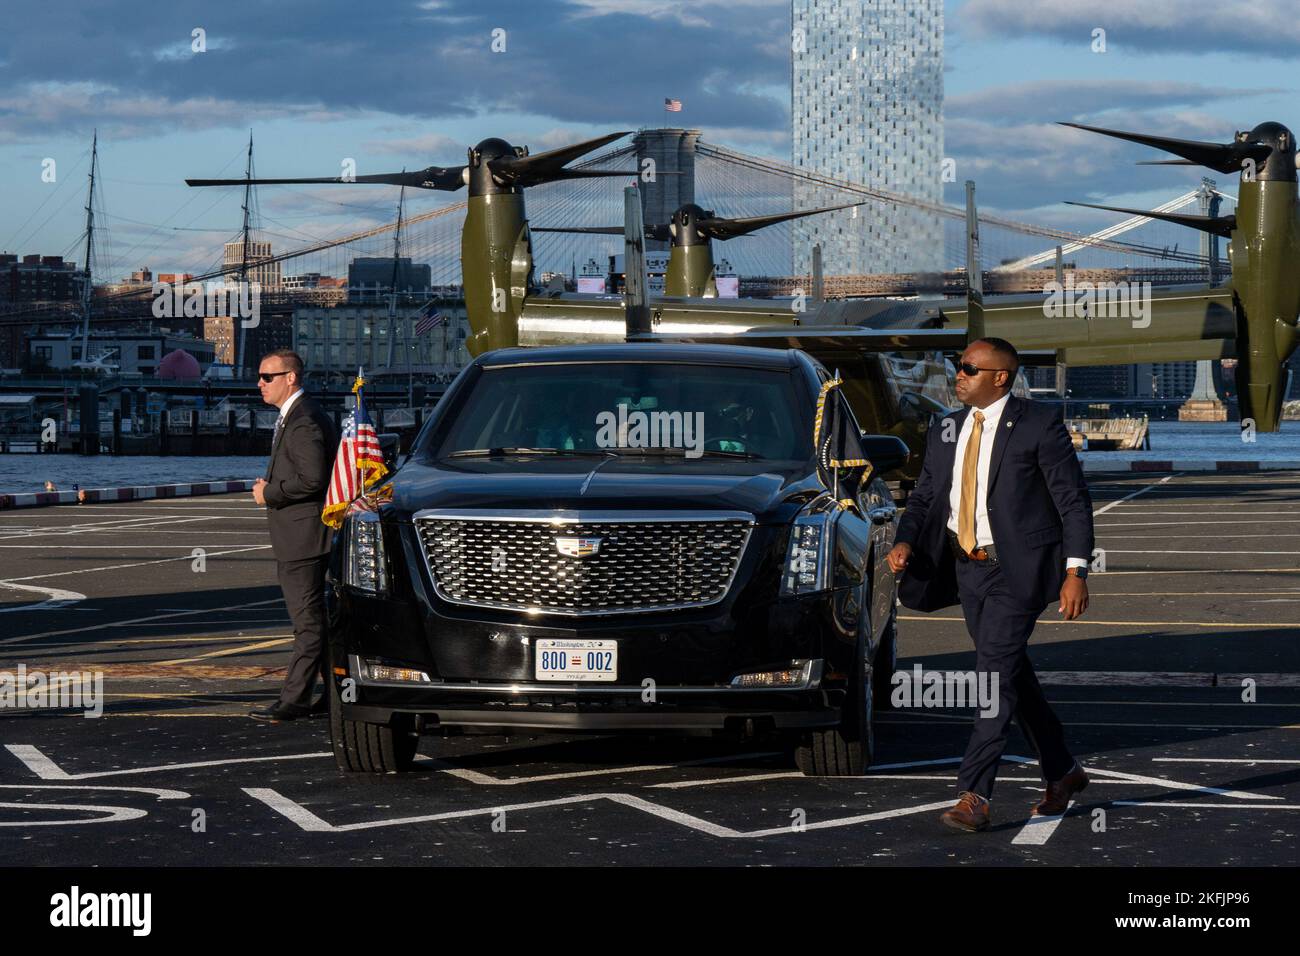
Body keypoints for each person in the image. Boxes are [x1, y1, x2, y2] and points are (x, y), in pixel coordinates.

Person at [887, 337, 1094, 832]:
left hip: (1017, 571)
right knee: (1008, 671)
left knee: (991, 677)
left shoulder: (1039, 424)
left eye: (969, 368)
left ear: (1000, 376)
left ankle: (974, 795)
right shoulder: (945, 428)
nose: (958, 375)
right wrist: (905, 541)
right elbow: (924, 498)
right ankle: (1063, 771)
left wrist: (1076, 572)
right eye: (958, 367)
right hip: (967, 570)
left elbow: (1072, 501)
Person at [249, 349, 338, 723]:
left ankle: (295, 699)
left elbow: (313, 479)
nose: (260, 384)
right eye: (260, 376)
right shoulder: (300, 415)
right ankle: (337, 696)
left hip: (303, 538)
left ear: (291, 378)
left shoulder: (304, 421)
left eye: (268, 377)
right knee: (320, 621)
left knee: (308, 622)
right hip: (306, 535)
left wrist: (268, 492)